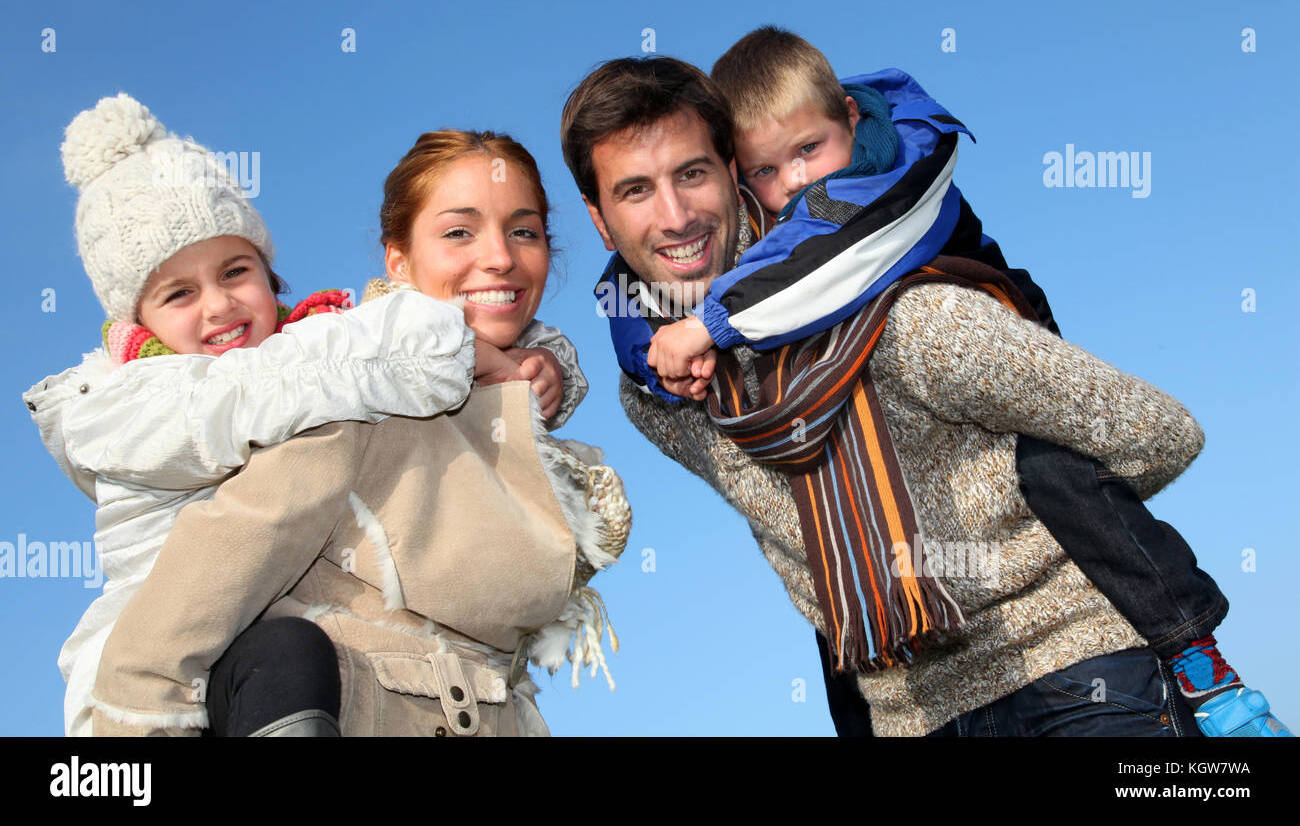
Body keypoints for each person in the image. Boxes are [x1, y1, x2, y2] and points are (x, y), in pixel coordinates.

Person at [560, 54, 1262, 736]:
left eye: (692, 174)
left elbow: (1160, 432)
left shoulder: (907, 315)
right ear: (599, 218)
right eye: (636, 190)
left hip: (1080, 684)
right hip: (908, 717)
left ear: (731, 169)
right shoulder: (656, 397)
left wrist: (1036, 528)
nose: (677, 214)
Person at [26, 96, 617, 735]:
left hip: (299, 669)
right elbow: (294, 386)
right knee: (284, 655)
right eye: (179, 293)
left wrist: (541, 362)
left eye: (236, 271)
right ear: (137, 322)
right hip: (159, 651)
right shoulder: (158, 397)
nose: (219, 305)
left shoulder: (329, 365)